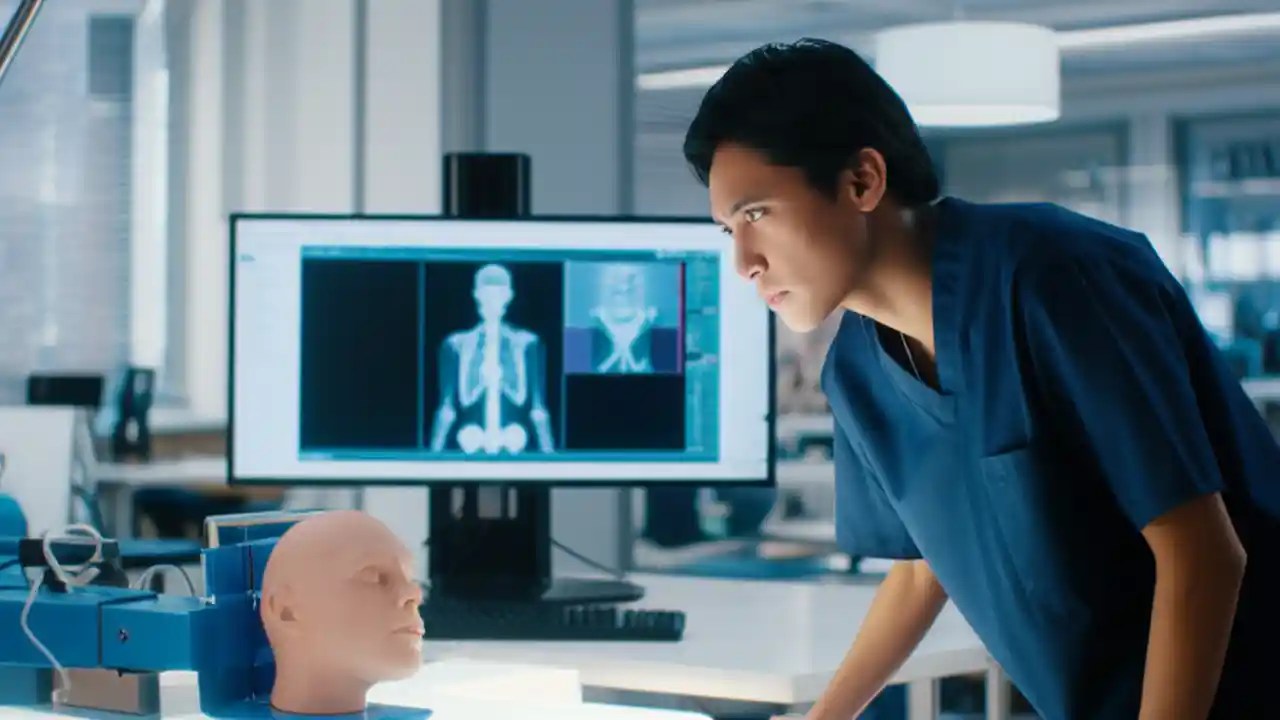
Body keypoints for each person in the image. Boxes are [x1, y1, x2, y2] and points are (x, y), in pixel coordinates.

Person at [682, 38, 1280, 720]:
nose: (744, 263)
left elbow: (1202, 552)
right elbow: (919, 568)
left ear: (862, 181)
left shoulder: (1054, 278)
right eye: (729, 229)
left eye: (757, 214)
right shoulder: (855, 370)